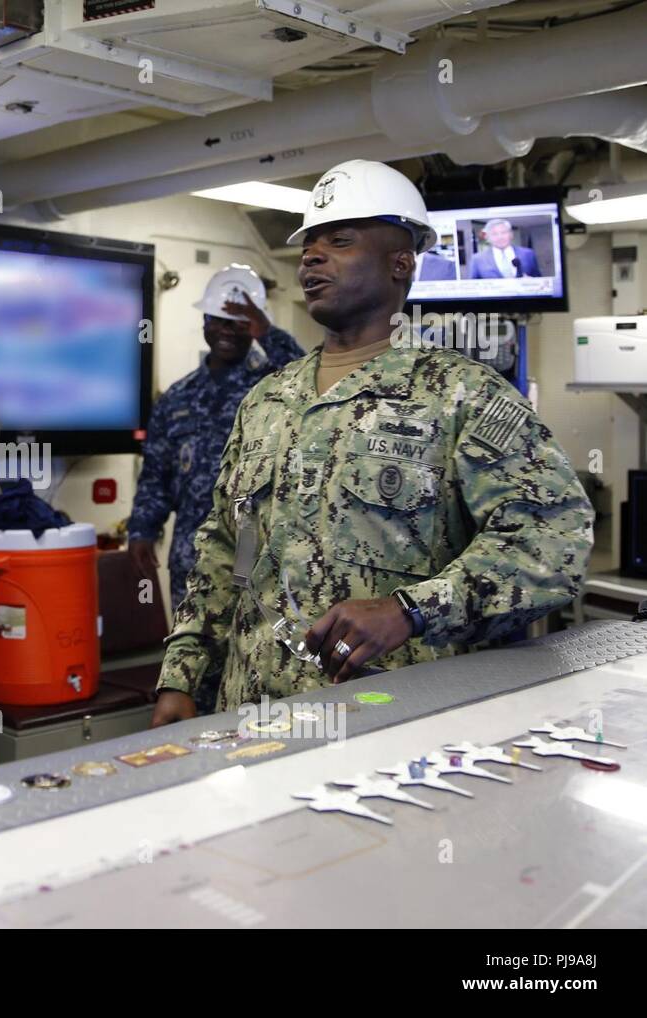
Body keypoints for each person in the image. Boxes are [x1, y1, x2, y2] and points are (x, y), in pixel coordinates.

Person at [150, 159, 593, 725]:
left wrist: (410, 611)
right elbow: (221, 549)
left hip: (394, 724)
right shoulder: (267, 401)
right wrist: (181, 678)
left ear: (400, 264)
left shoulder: (461, 395)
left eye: (339, 240)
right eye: (310, 243)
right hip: (254, 721)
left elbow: (554, 543)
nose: (312, 255)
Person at [127, 264, 303, 712]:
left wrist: (268, 331)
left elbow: (309, 374)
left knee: (259, 665)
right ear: (204, 323)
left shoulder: (278, 386)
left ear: (255, 327)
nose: (227, 331)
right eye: (219, 320)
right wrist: (141, 530)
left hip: (261, 554)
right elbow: (156, 474)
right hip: (192, 557)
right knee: (193, 668)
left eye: (240, 323)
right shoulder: (177, 398)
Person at [467, 219, 541, 278]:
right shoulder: (477, 259)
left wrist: (532, 282)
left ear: (511, 234)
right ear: (487, 238)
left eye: (504, 232)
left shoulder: (528, 254)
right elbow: (473, 287)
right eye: (494, 234)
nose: (500, 237)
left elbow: (540, 280)